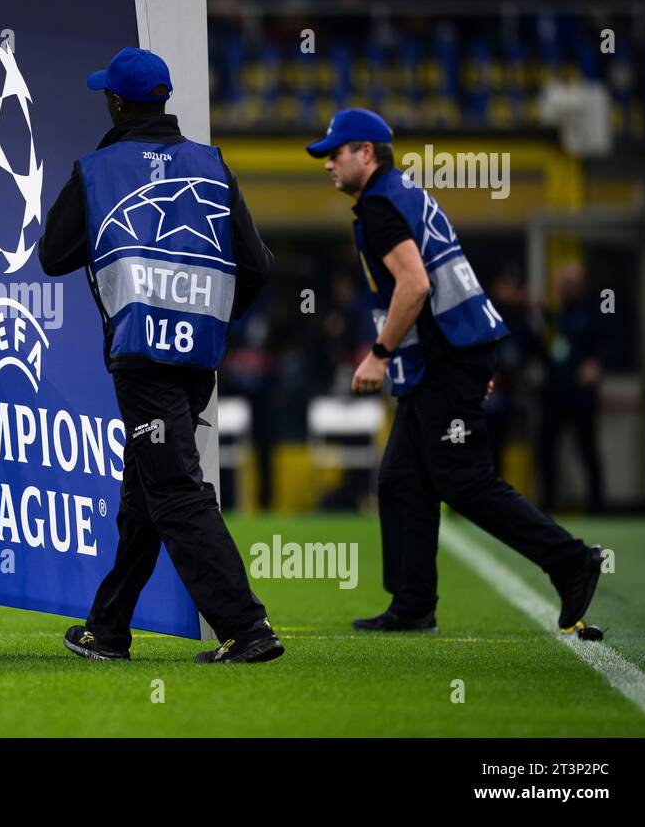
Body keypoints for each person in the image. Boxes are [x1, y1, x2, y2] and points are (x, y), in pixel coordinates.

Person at [306, 108, 603, 633]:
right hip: (451, 354)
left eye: (336, 152)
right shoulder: (403, 193)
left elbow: (415, 286)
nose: (328, 163)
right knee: (401, 480)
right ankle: (413, 604)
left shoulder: (380, 206)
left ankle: (570, 560)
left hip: (448, 358)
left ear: (366, 153)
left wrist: (378, 352)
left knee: (463, 481)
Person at [40, 47, 282, 665]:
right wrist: (210, 317)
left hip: (141, 356)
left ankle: (246, 628)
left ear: (117, 103)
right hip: (198, 357)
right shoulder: (212, 165)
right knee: (144, 495)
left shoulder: (98, 169)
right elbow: (257, 266)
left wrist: (99, 176)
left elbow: (53, 254)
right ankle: (108, 629)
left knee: (173, 488)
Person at [536, 263, 605, 514]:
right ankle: (548, 504)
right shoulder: (553, 313)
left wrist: (596, 364)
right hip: (554, 394)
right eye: (561, 284)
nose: (564, 289)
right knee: (547, 450)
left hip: (581, 395)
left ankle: (598, 506)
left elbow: (609, 341)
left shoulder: (595, 308)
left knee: (587, 450)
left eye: (569, 283)